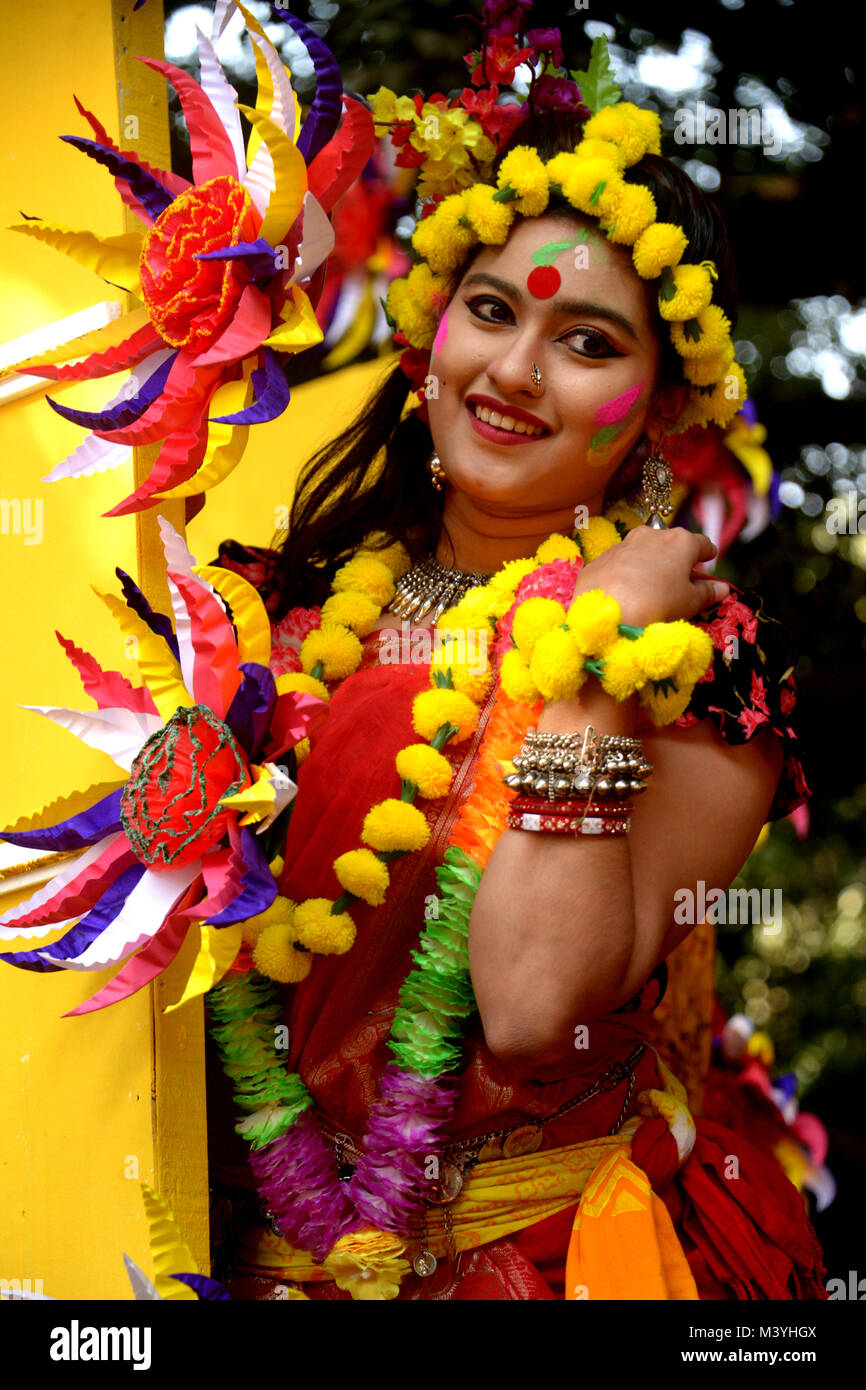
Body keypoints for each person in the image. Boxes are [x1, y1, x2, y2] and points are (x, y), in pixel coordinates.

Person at [204, 93, 826, 1301]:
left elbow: (536, 1004)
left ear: (655, 406)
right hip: (227, 1262)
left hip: (535, 1262)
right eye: (489, 311)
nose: (515, 370)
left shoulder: (702, 659)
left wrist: (595, 663)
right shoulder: (267, 620)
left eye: (588, 341)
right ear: (431, 337)